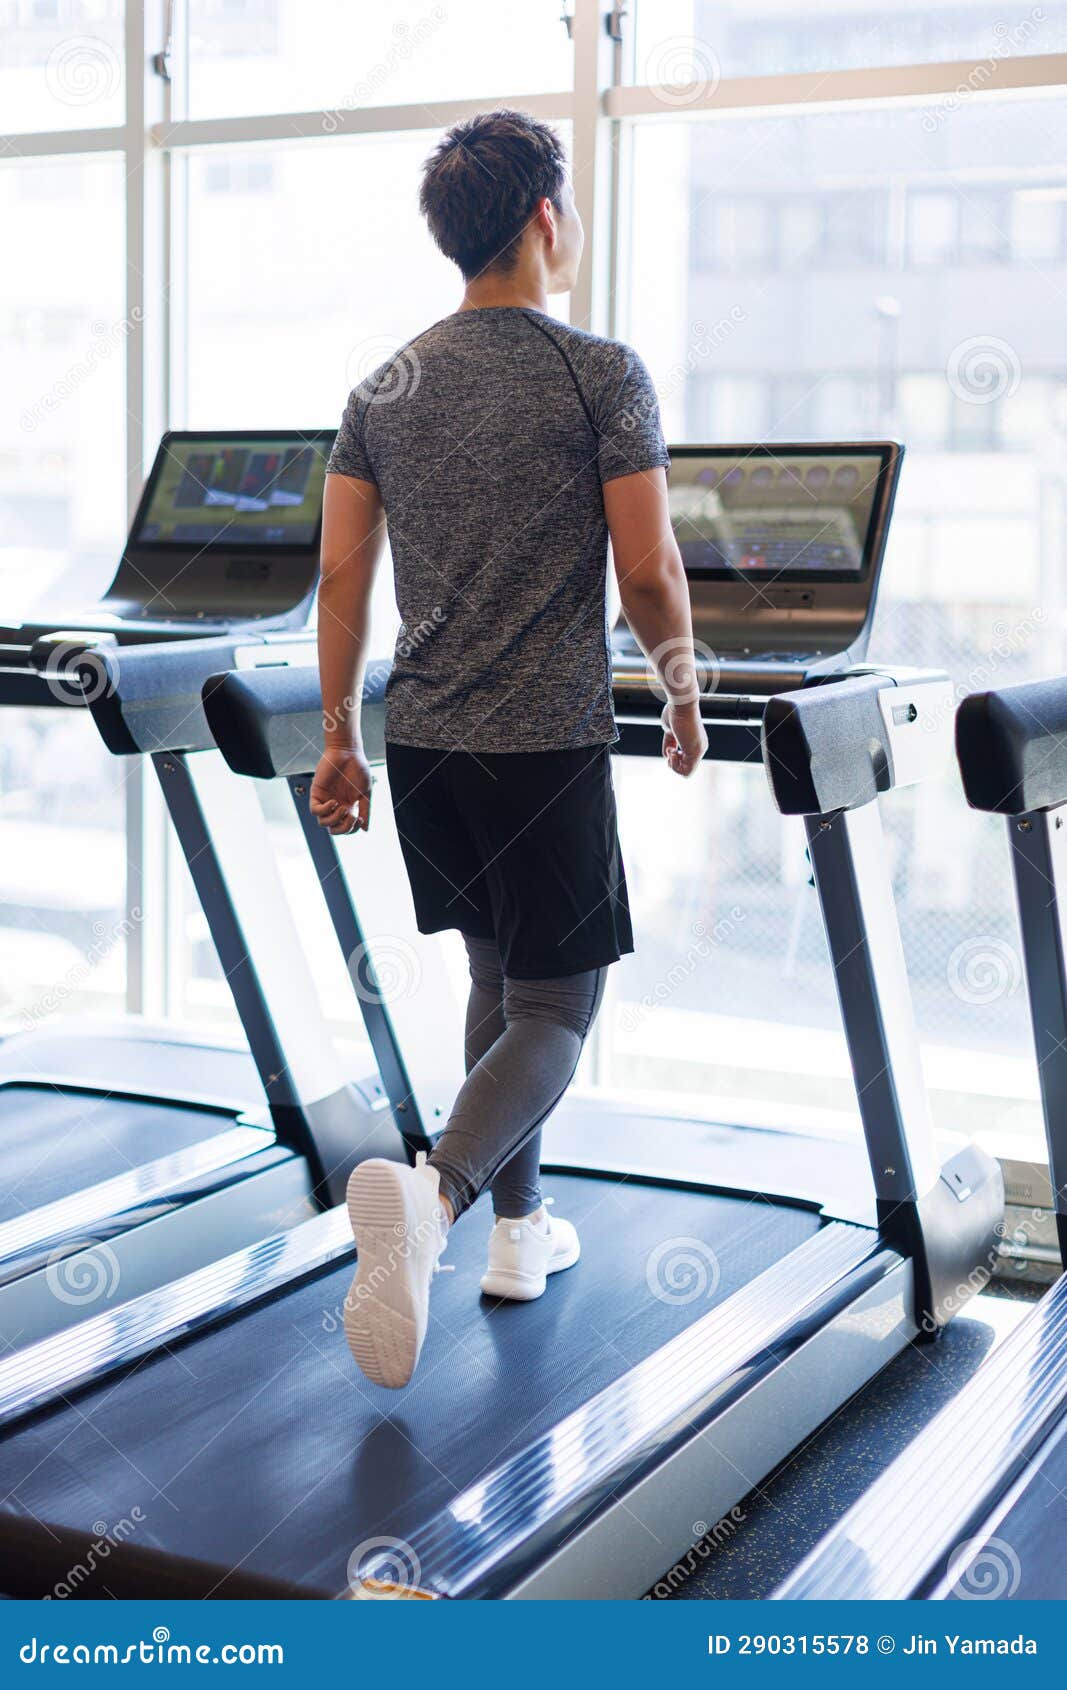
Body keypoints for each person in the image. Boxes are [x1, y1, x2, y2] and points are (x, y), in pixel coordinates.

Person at [311, 109, 707, 1389]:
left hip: (423, 741)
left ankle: (518, 1232)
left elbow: (339, 582)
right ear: (544, 216)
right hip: (543, 745)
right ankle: (434, 1201)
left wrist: (338, 739)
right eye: (569, 205)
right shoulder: (600, 372)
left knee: (499, 973)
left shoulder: (386, 387)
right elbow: (646, 568)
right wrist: (681, 685)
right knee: (555, 1007)